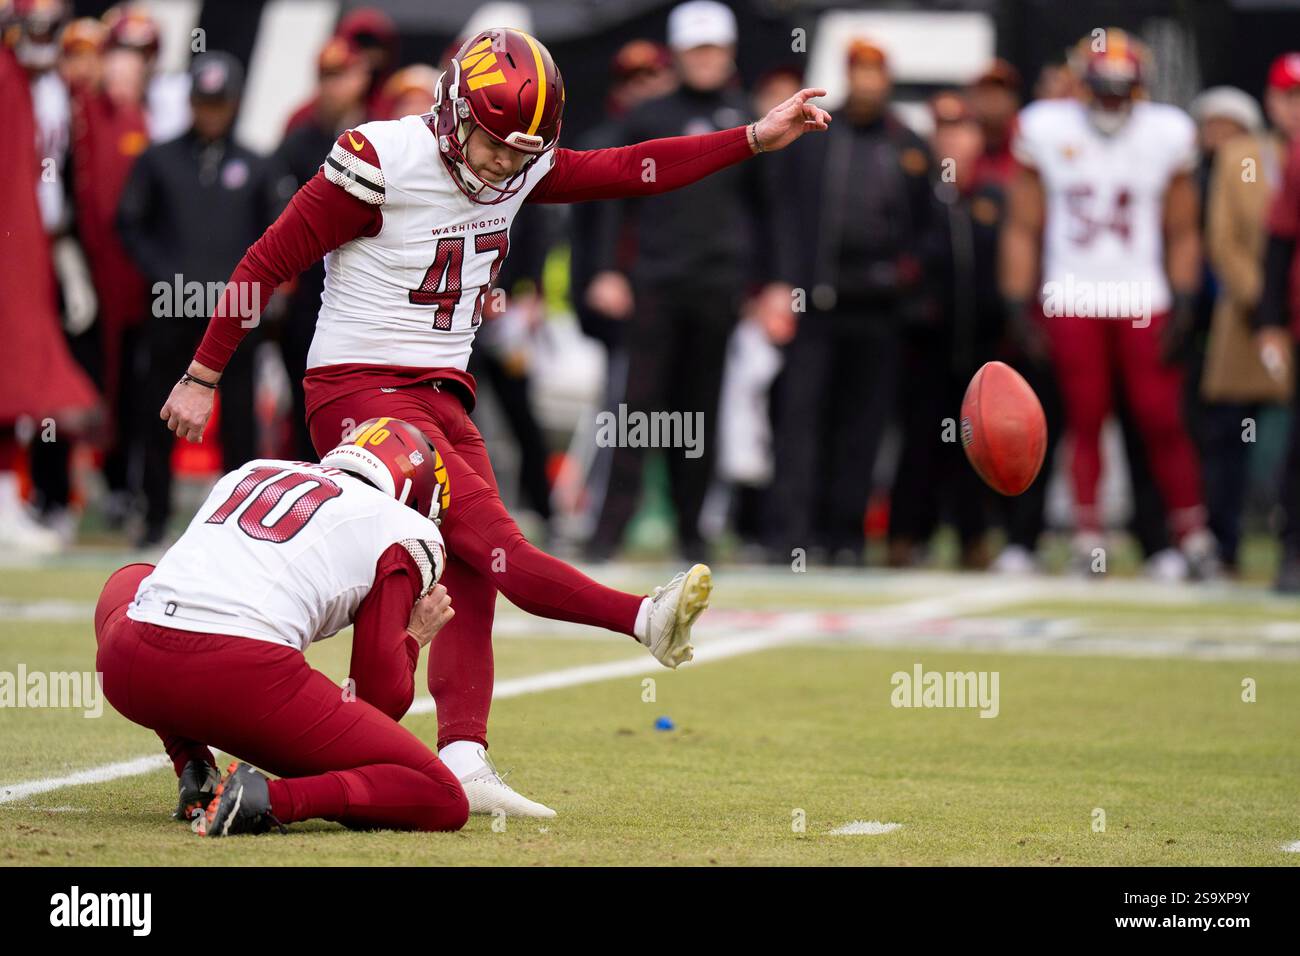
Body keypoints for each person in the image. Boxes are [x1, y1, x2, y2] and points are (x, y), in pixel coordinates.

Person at [153, 25, 831, 816]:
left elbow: (631, 172)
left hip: (443, 391)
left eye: (522, 152)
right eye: (494, 143)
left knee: (474, 567)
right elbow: (266, 262)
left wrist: (753, 137)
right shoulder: (381, 159)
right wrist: (203, 374)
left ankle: (465, 754)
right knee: (498, 546)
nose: (505, 165)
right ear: (452, 111)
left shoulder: (511, 157)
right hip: (360, 391)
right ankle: (641, 619)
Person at [93, 418, 468, 836]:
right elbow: (377, 697)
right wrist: (413, 639)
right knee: (443, 795)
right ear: (415, 499)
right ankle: (266, 800)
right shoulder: (406, 527)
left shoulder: (253, 470)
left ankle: (194, 767)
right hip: (238, 679)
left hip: (128, 664)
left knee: (132, 577)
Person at [1000, 29, 1217, 576]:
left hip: (1142, 293)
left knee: (1161, 419)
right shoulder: (1047, 127)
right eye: (1104, 87)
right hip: (1072, 291)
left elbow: (1184, 229)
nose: (1113, 100)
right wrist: (1014, 300)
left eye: (1123, 89)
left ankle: (1192, 537)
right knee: (1083, 419)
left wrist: (1186, 296)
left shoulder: (1166, 133)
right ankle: (1088, 540)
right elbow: (1023, 226)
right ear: (1083, 84)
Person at [584, 1, 768, 563]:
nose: (706, 60)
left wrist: (771, 283)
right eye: (696, 50)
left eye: (714, 49)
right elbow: (612, 204)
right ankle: (608, 530)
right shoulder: (648, 117)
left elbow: (768, 208)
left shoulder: (748, 121)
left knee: (701, 413)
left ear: (730, 54)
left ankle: (693, 531)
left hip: (718, 288)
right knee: (636, 412)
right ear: (679, 55)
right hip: (655, 286)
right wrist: (606, 270)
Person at [763, 37, 932, 566]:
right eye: (858, 72)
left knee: (863, 430)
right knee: (801, 422)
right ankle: (791, 535)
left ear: (887, 79)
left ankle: (847, 538)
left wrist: (907, 275)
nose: (867, 82)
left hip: (879, 311)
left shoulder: (909, 144)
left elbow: (930, 225)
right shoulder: (816, 137)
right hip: (815, 305)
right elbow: (783, 214)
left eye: (875, 72)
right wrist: (780, 284)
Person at [117, 51, 291, 546]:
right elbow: (129, 224)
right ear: (189, 102)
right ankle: (152, 516)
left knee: (239, 415)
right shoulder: (157, 160)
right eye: (202, 102)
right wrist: (163, 275)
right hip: (173, 307)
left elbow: (278, 234)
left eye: (219, 103)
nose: (210, 112)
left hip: (235, 311)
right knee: (159, 410)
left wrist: (259, 289)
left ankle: (241, 520)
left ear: (234, 104)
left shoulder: (258, 165)